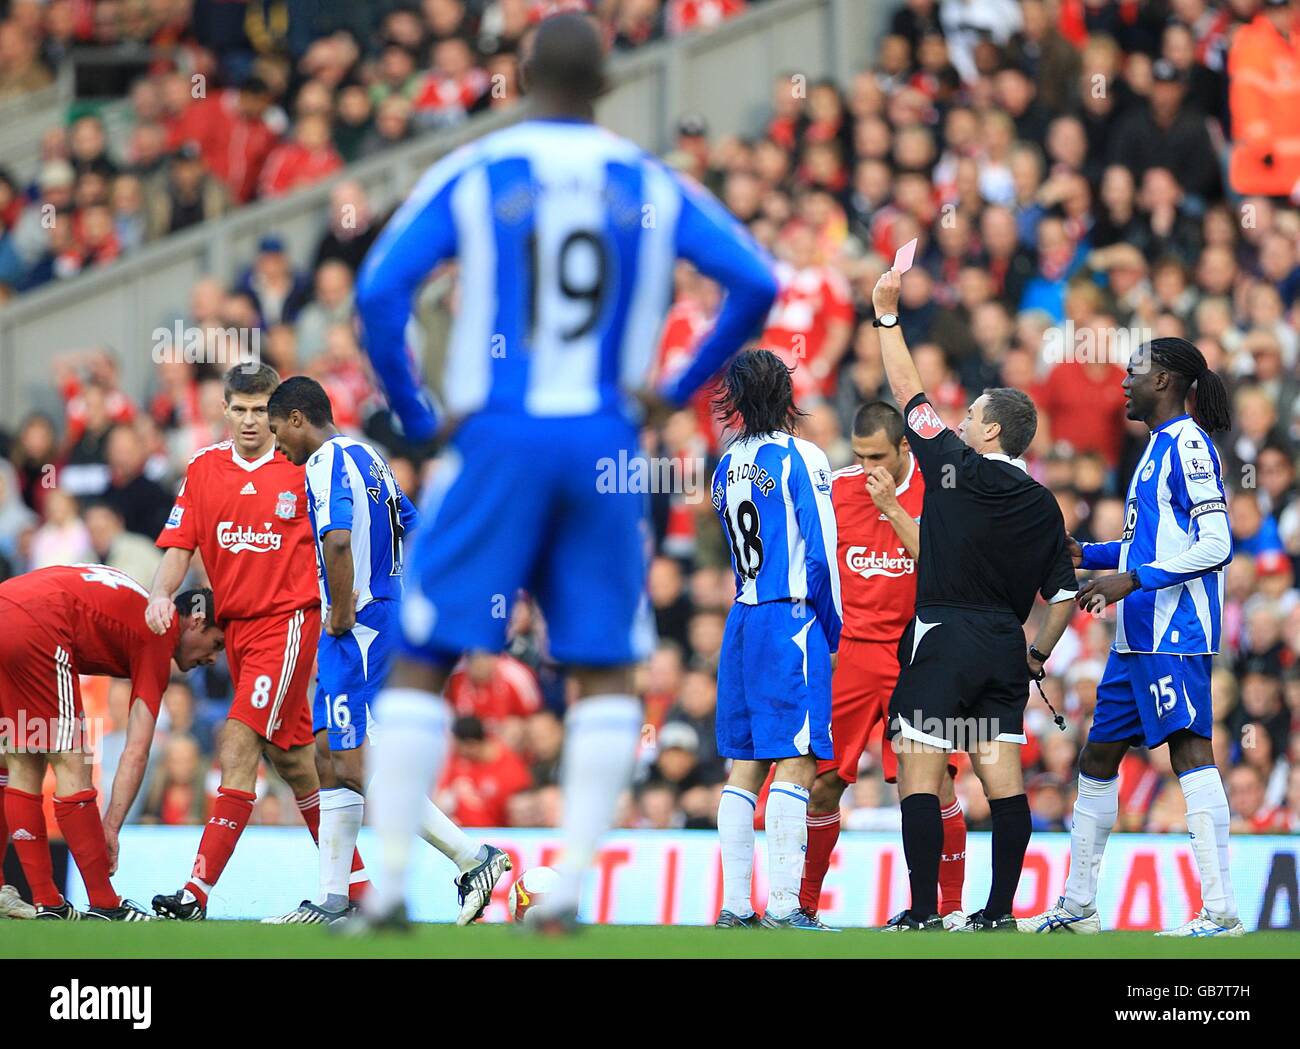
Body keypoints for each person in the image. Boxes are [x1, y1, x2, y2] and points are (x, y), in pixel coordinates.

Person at [352, 11, 777, 928]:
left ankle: (386, 887)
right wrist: (675, 389)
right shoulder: (645, 181)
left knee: (424, 652)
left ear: (520, 72)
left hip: (496, 436)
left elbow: (379, 291)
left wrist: (421, 415)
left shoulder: (477, 172)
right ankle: (572, 888)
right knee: (605, 664)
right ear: (610, 85)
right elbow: (757, 282)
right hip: (605, 442)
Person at [870, 266, 1078, 932]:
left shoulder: (953, 466)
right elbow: (1065, 595)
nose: (960, 421)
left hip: (944, 636)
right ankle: (997, 912)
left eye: (971, 416)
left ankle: (926, 908)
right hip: (1003, 647)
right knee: (1003, 779)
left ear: (990, 434)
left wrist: (886, 316)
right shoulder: (1045, 504)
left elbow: (907, 389)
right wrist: (1037, 654)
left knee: (918, 771)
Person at [264, 376, 511, 925]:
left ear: (299, 418)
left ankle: (474, 858)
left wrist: (345, 612)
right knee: (328, 753)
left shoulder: (325, 463)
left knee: (351, 761)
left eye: (279, 429)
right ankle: (334, 897)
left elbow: (336, 537)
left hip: (359, 627)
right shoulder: (370, 457)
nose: (277, 443)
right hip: (382, 616)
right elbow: (414, 525)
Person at [1021, 338, 1244, 938]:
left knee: (1190, 752)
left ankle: (1220, 910)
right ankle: (1079, 905)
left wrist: (1132, 580)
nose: (1123, 382)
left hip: (1175, 631)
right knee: (1097, 758)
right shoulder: (1153, 448)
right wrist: (1087, 554)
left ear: (1166, 381)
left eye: (1135, 371)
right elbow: (1153, 544)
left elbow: (1217, 544)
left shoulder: (1191, 447)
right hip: (1137, 635)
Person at [145, 364, 366, 920]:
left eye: (259, 409)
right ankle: (358, 889)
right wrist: (157, 595)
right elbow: (179, 545)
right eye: (239, 409)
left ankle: (195, 892)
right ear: (224, 409)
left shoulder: (303, 468)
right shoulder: (203, 469)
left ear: (276, 412)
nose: (249, 421)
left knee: (238, 741)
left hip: (288, 623)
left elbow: (343, 538)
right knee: (294, 765)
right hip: (239, 633)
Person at [797, 402, 967, 927]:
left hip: (917, 656)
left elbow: (948, 565)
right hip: (847, 655)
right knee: (824, 782)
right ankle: (802, 908)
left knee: (934, 785)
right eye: (860, 455)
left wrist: (894, 507)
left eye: (878, 456)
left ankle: (950, 909)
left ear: (904, 449)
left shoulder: (938, 490)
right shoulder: (835, 490)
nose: (868, 467)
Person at [0, 565, 223, 919]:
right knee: (73, 761)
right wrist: (111, 827)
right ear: (196, 622)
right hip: (40, 625)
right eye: (216, 644)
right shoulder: (158, 637)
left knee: (20, 760)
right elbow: (136, 750)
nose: (212, 658)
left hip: (8, 606)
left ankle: (44, 901)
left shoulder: (142, 603)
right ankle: (105, 904)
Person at [709, 349, 841, 930]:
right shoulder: (801, 457)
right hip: (789, 619)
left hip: (741, 617)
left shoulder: (725, 467)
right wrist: (833, 631)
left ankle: (736, 904)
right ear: (785, 395)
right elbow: (821, 553)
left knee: (744, 765)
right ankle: (787, 906)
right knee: (798, 759)